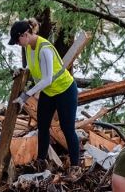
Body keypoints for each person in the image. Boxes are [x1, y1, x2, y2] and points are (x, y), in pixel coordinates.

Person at [8, 18, 81, 169]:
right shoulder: (28, 46)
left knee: (68, 130)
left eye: (17, 40)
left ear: (26, 34)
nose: (16, 43)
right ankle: (41, 161)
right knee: (42, 126)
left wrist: (26, 95)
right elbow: (32, 67)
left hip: (65, 90)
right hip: (49, 92)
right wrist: (20, 71)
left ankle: (75, 167)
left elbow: (47, 79)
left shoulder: (45, 49)